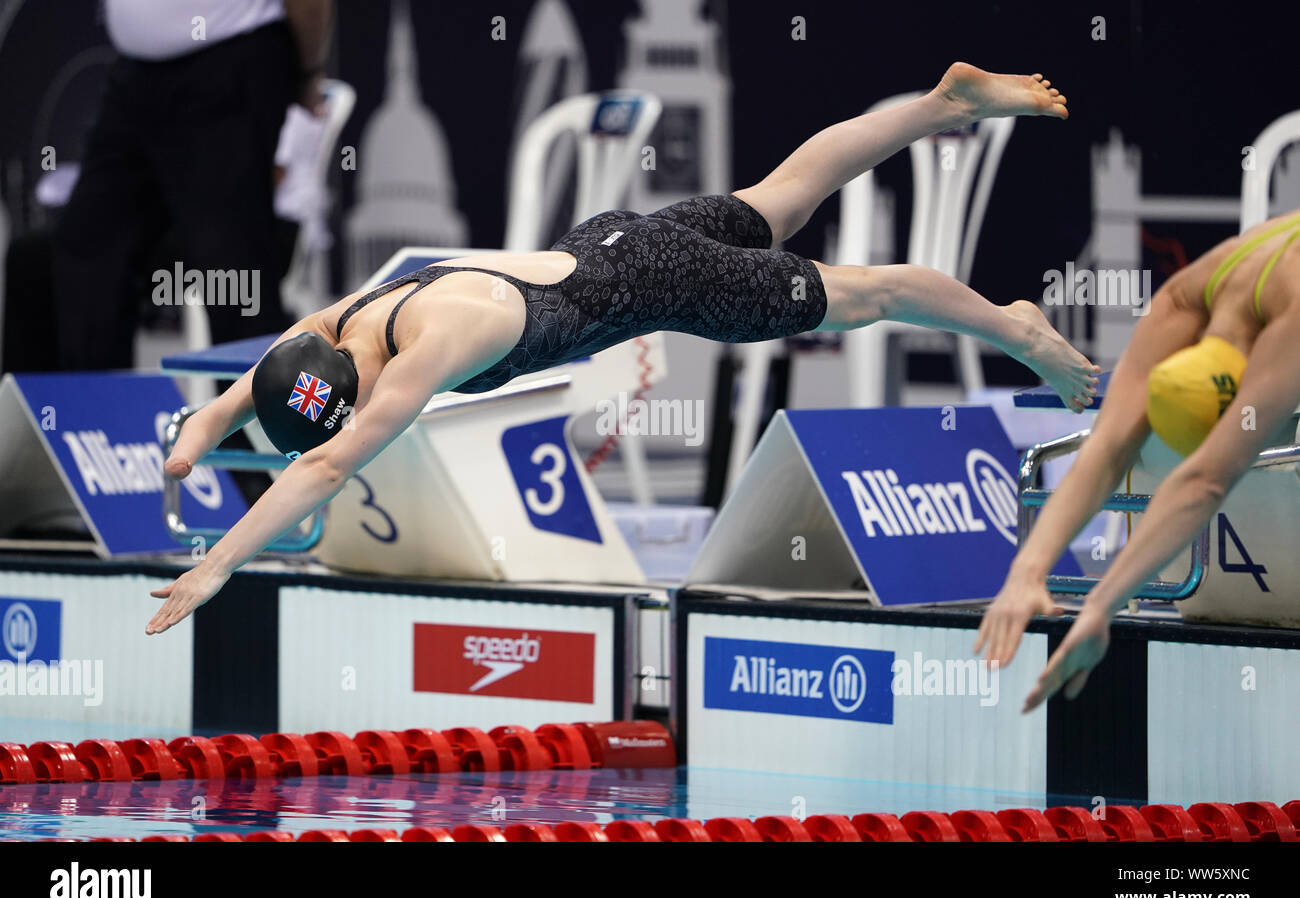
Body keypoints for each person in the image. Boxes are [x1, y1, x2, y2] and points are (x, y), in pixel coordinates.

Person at [146, 62, 1098, 635]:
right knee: (791, 191)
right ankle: (939, 104)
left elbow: (321, 467)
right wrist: (197, 437)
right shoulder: (341, 323)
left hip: (654, 282)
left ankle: (1017, 327)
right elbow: (264, 377)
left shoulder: (423, 354)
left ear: (353, 387)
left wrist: (220, 563)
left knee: (871, 294)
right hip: (611, 237)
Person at [977, 208, 1300, 712]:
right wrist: (1027, 571)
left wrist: (1102, 604)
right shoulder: (1177, 302)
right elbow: (1106, 450)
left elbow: (1206, 481)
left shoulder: (1291, 310)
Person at [52, 0, 332, 370]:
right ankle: (97, 418)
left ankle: (249, 425)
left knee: (231, 275)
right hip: (134, 75)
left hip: (229, 62)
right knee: (89, 248)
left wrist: (308, 72)